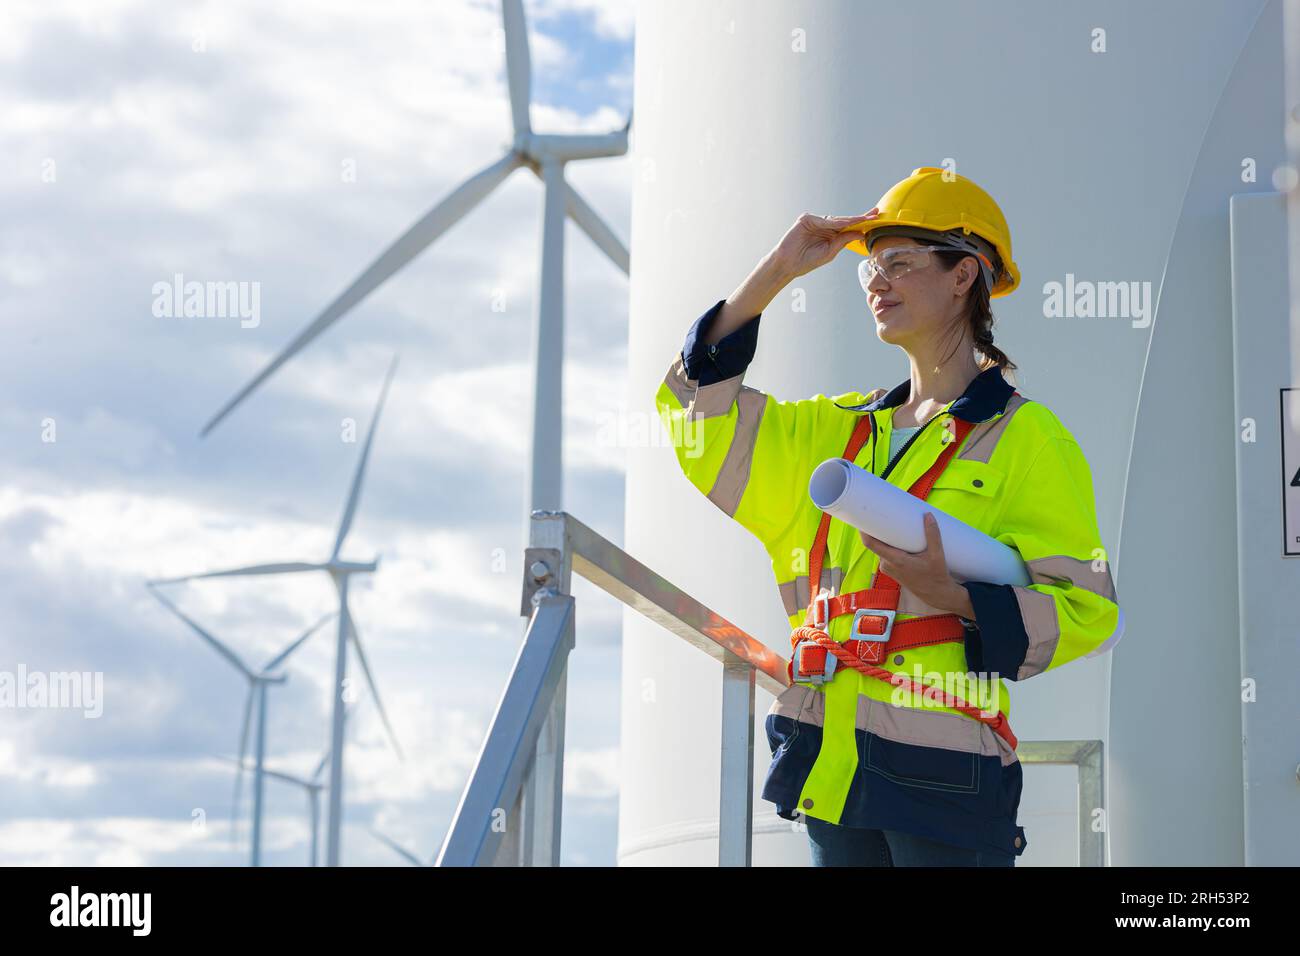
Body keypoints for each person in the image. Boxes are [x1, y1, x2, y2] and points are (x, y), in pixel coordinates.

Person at [654, 167, 1120, 867]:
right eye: (869, 267)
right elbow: (695, 422)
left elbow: (1087, 607)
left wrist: (953, 596)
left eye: (899, 262)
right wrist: (777, 273)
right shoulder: (833, 431)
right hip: (828, 763)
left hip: (945, 775)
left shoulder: (1029, 438)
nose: (876, 281)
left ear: (964, 275)